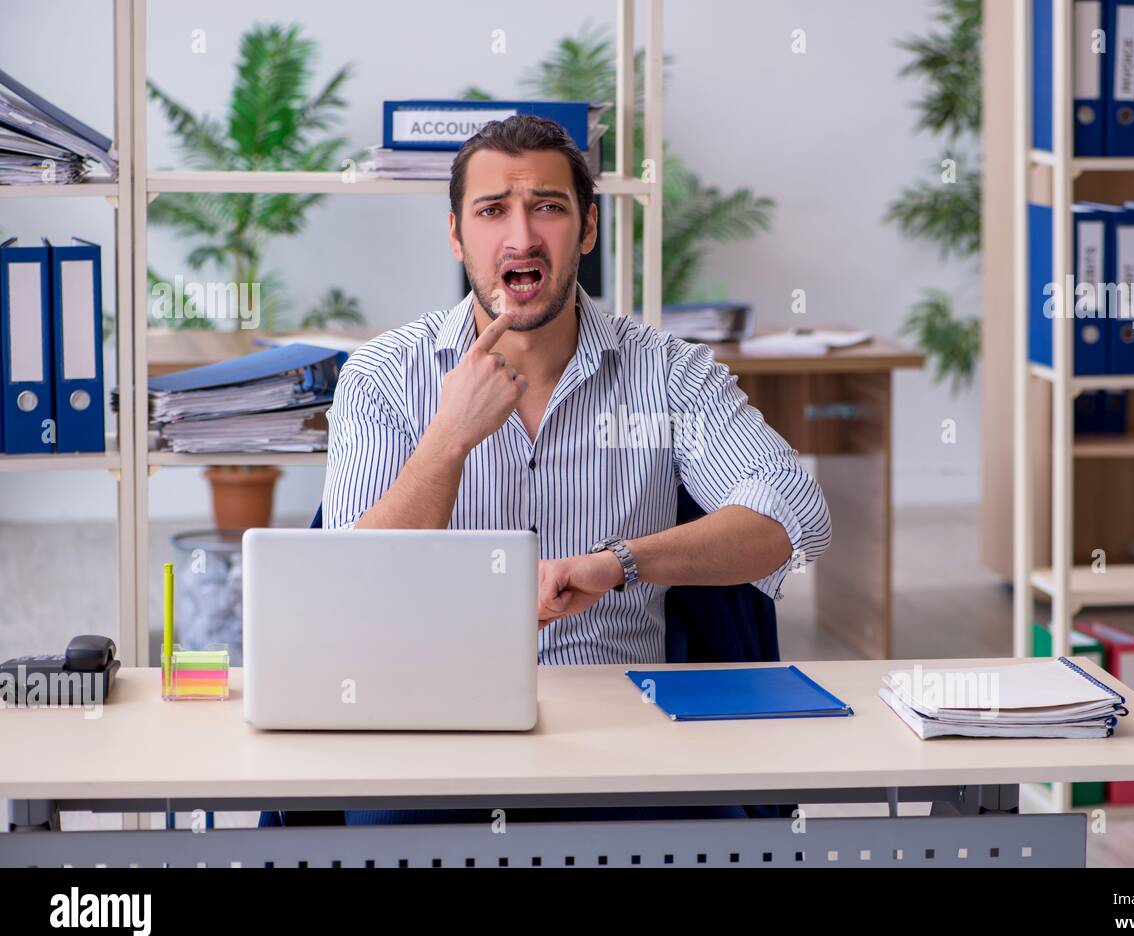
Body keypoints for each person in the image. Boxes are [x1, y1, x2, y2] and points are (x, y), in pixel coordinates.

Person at [323, 114, 831, 666]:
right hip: (439, 701)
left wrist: (619, 562)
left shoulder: (669, 372)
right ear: (456, 235)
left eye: (548, 207)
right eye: (492, 211)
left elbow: (797, 514)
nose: (521, 239)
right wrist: (448, 438)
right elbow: (350, 584)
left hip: (619, 708)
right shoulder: (382, 375)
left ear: (588, 227)